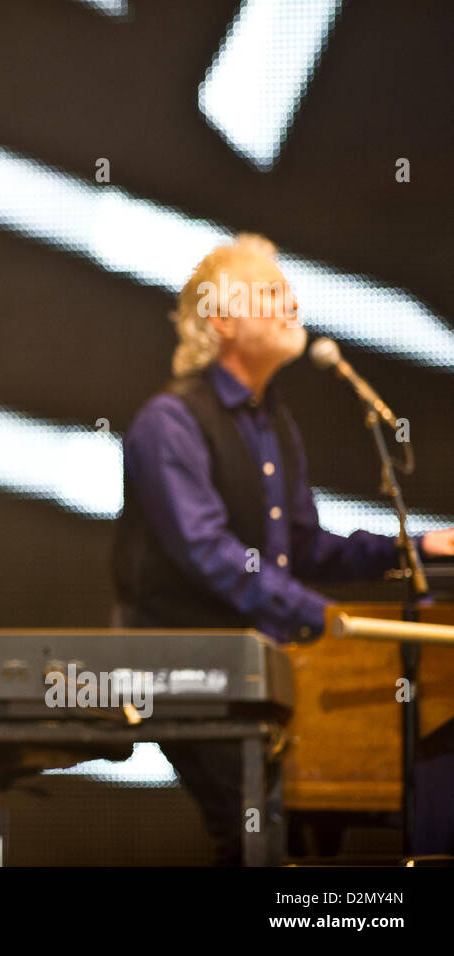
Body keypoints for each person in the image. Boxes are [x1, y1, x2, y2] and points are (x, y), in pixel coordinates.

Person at [113, 232, 454, 863]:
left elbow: (301, 546)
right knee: (256, 830)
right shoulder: (170, 423)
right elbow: (212, 553)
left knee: (302, 829)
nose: (290, 301)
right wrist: (323, 618)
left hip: (262, 665)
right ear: (221, 319)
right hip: (187, 665)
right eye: (269, 291)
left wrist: (418, 546)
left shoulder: (273, 422)